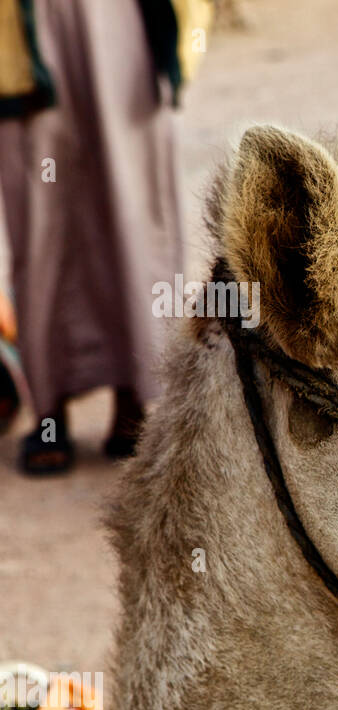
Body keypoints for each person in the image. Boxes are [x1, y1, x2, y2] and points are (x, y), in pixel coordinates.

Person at [0, 0, 202, 474]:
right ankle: (49, 410)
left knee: (130, 205)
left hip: (122, 20)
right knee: (40, 216)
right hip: (24, 30)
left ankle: (133, 395)